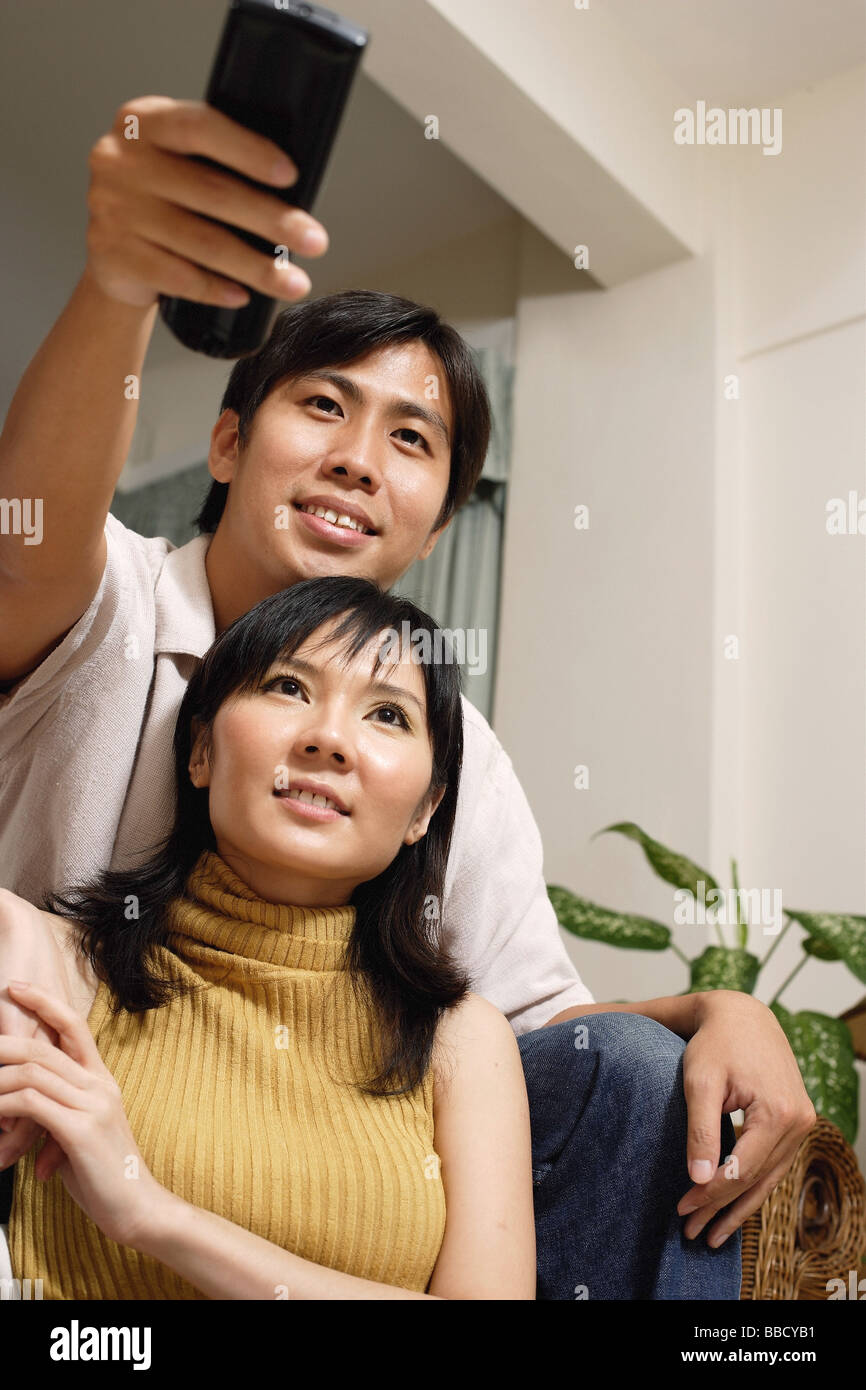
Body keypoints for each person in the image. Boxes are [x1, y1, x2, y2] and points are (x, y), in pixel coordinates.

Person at [0, 96, 814, 1299]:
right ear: (225, 443)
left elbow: (546, 1046)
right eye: (321, 404)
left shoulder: (456, 754)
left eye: (412, 440)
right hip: (41, 1108)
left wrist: (715, 1004)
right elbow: (26, 545)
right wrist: (122, 284)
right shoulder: (105, 595)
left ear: (435, 524)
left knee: (639, 1070)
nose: (357, 460)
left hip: (303, 1204)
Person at [0, 577, 536, 1299]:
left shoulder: (460, 1041)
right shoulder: (51, 965)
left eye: (386, 714)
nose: (328, 739)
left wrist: (153, 1216)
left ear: (425, 811)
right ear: (200, 753)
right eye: (288, 687)